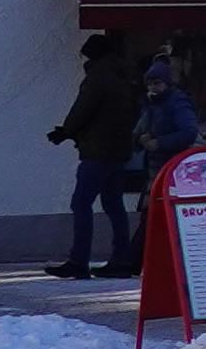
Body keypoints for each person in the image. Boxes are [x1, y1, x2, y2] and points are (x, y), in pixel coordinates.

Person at [46, 32, 145, 278]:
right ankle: (121, 260)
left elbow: (83, 108)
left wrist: (66, 131)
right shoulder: (123, 77)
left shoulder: (98, 78)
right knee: (114, 205)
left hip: (98, 150)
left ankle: (78, 260)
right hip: (119, 150)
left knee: (81, 203)